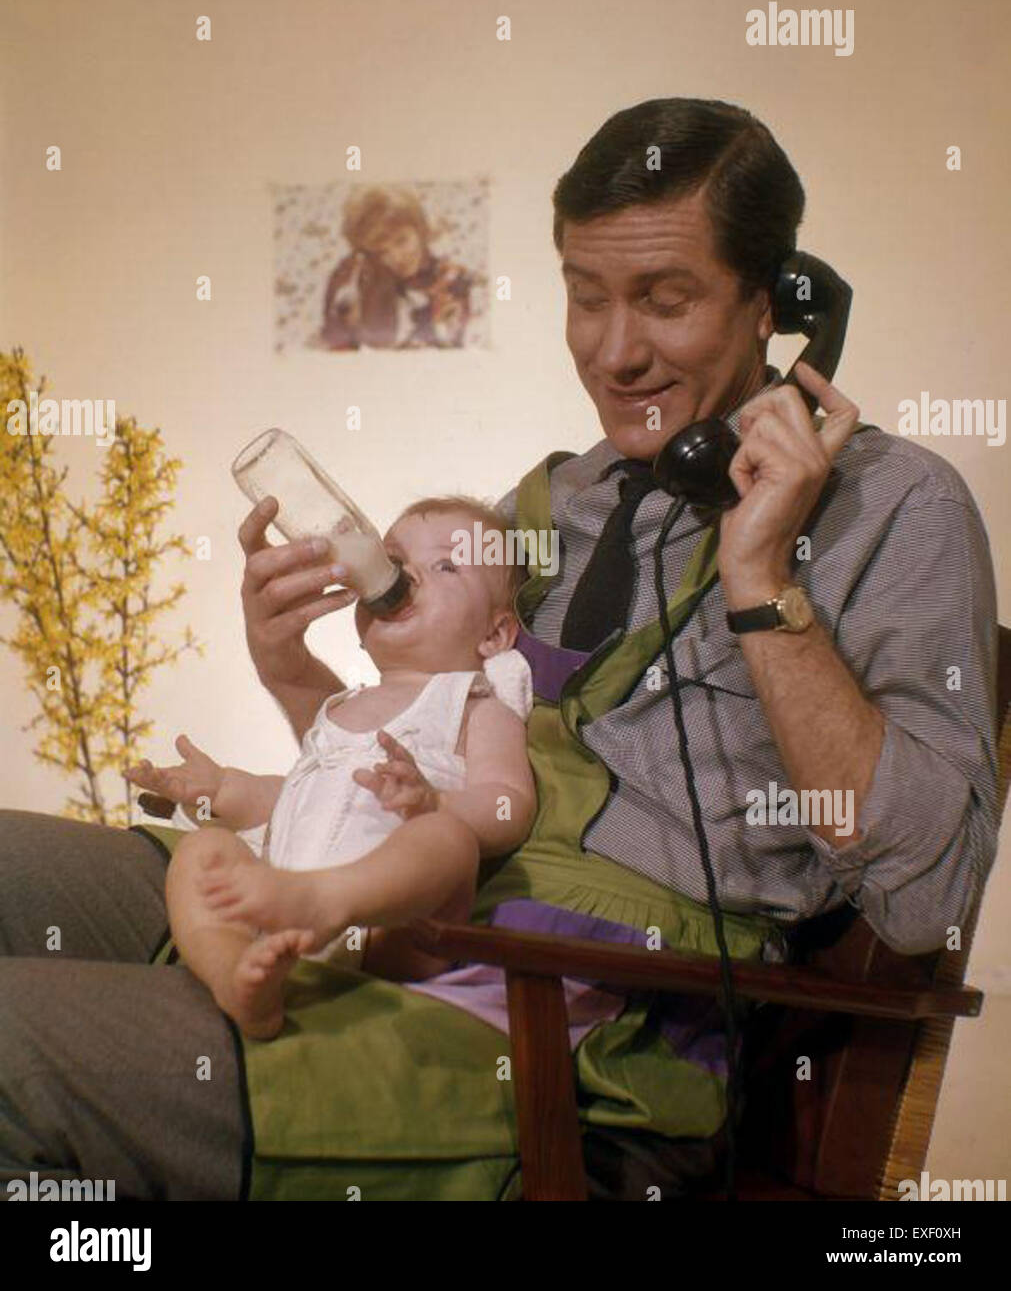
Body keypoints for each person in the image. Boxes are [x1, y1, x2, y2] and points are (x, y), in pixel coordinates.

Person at [0, 97, 998, 1202]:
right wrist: (294, 675)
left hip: (535, 1016)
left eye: (665, 302)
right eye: (586, 298)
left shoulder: (897, 508)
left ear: (773, 304)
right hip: (374, 892)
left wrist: (762, 586)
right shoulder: (547, 502)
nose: (617, 354)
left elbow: (926, 899)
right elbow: (430, 755)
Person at [123, 498, 537, 1041]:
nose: (406, 573)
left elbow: (510, 803)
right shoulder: (339, 707)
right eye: (393, 558)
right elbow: (299, 799)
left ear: (494, 635)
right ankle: (236, 974)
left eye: (446, 566)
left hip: (395, 934)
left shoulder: (473, 703)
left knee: (447, 840)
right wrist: (221, 788)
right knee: (201, 853)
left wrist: (437, 803)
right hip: (280, 912)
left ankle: (326, 900)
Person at [313, 185, 473, 350]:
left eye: (401, 240)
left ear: (420, 229)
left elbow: (449, 344)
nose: (395, 257)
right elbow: (336, 341)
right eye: (381, 252)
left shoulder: (450, 278)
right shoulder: (362, 281)